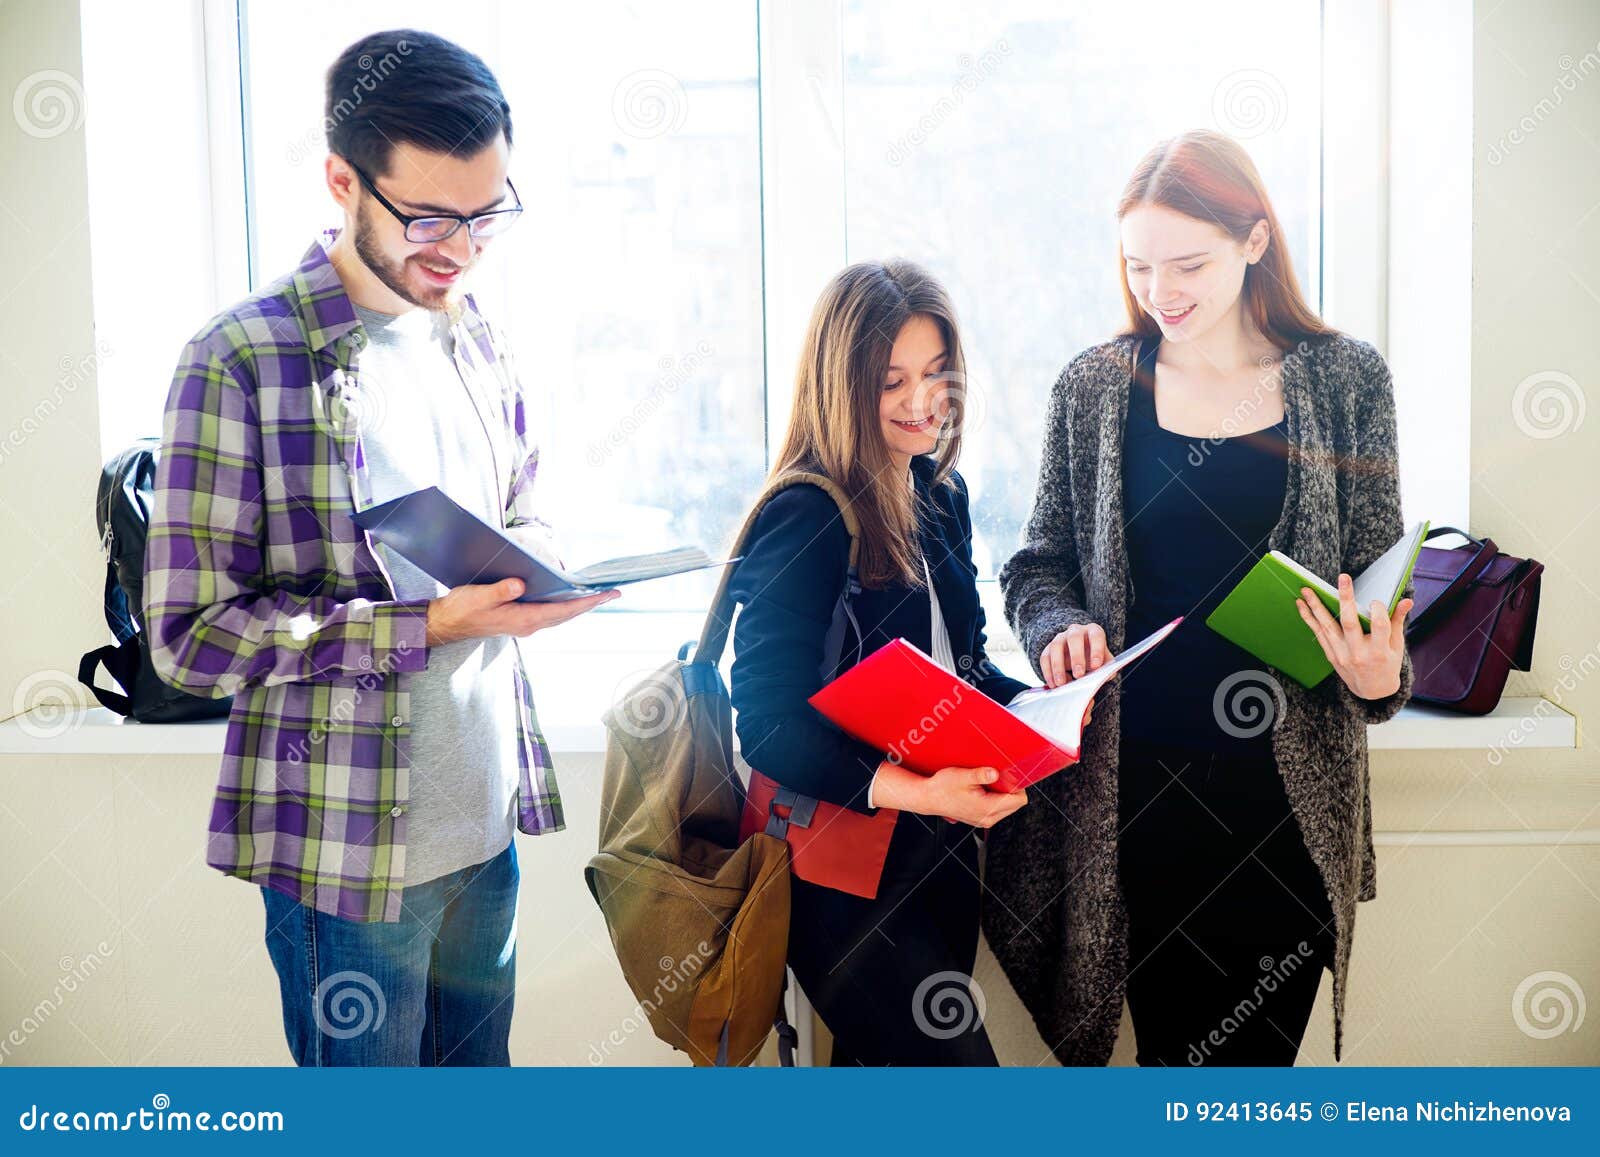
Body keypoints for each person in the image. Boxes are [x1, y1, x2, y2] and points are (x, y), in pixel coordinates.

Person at [144, 30, 616, 1066]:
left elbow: (521, 506)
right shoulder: (241, 359)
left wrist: (536, 570)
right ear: (342, 181)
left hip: (484, 834)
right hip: (349, 859)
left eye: (486, 216)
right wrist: (429, 622)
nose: (459, 248)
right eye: (430, 218)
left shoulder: (472, 332)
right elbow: (188, 639)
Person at [984, 130, 1413, 1067]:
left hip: (1287, 804)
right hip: (1139, 797)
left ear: (1255, 240)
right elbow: (1034, 566)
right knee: (1170, 1070)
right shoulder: (1095, 387)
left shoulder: (1348, 380)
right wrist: (1058, 627)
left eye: (1189, 263)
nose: (1160, 291)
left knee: (1252, 1082)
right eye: (1139, 266)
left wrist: (1380, 670)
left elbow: (1382, 586)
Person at [728, 261, 1036, 1065]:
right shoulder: (808, 513)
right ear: (841, 386)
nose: (922, 400)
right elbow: (764, 723)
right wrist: (916, 788)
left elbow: (961, 668)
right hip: (840, 872)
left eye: (937, 374)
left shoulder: (939, 492)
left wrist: (1047, 707)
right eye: (891, 380)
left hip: (938, 850)